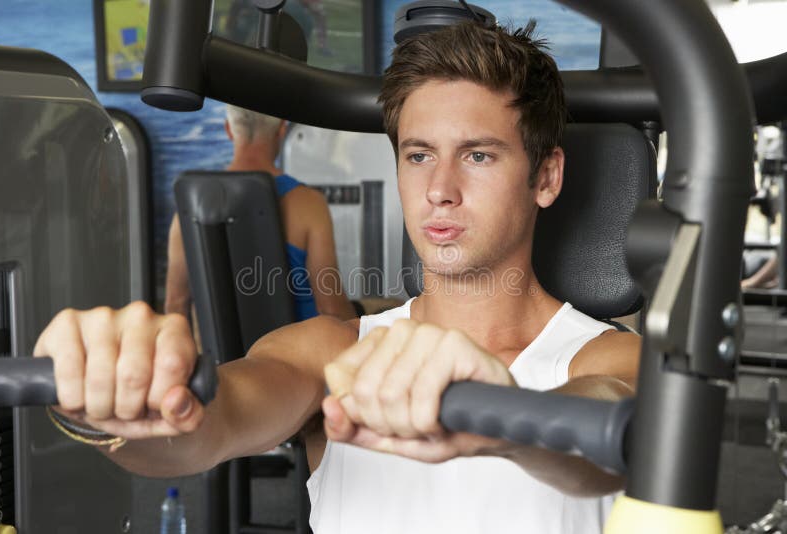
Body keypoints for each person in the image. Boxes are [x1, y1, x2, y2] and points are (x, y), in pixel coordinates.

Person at [34, 21, 640, 534]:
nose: (439, 191)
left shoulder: (614, 362)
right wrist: (112, 404)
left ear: (547, 177)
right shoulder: (330, 354)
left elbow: (602, 433)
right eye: (419, 154)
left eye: (478, 155)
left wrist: (501, 419)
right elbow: (202, 433)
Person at [164, 105, 356, 322]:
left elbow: (176, 304)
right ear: (282, 130)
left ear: (228, 130)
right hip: (300, 352)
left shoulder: (190, 209)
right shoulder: (309, 204)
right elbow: (331, 308)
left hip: (226, 357)